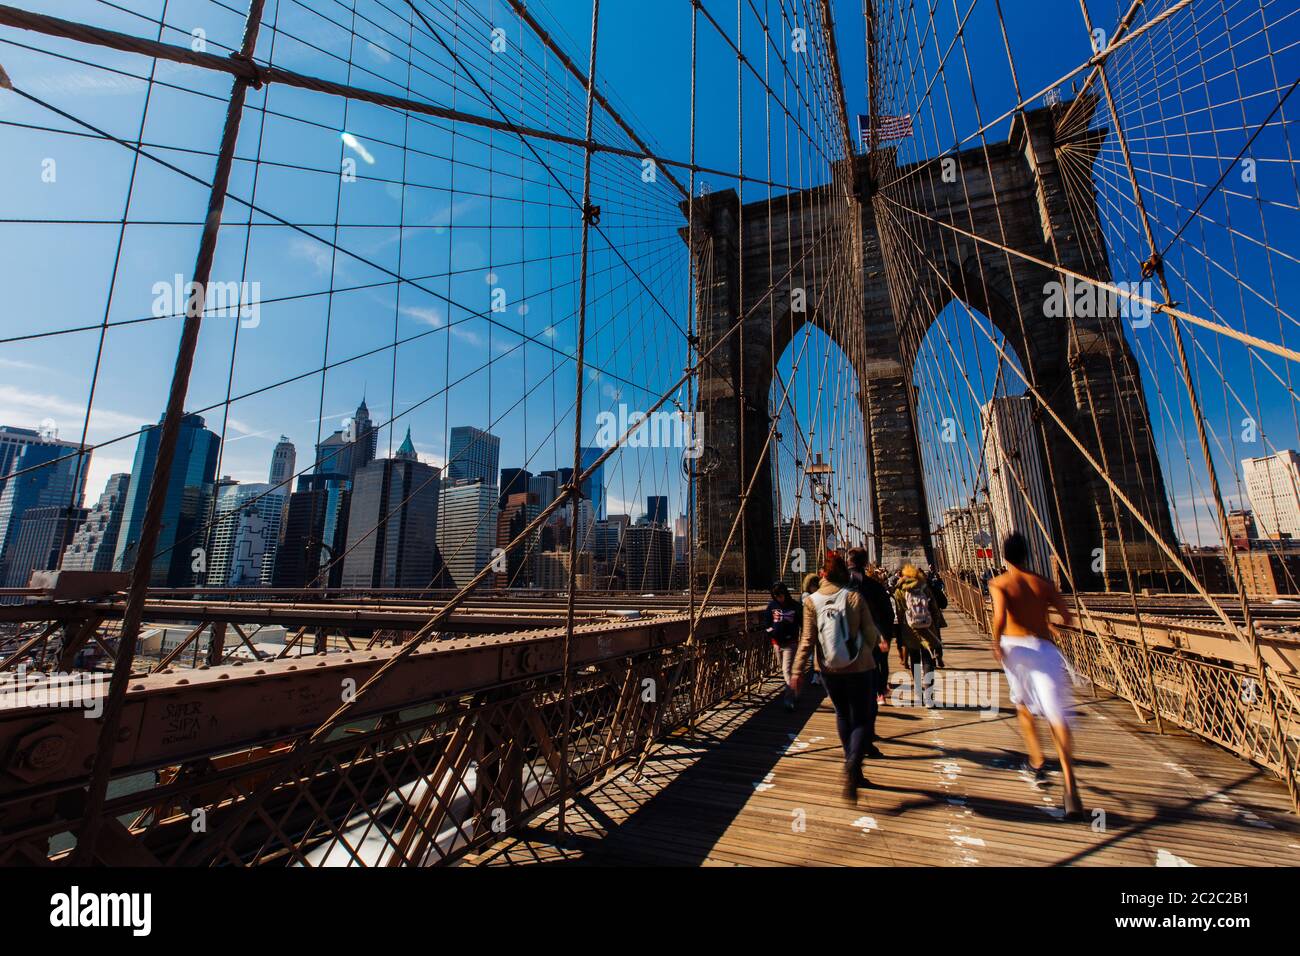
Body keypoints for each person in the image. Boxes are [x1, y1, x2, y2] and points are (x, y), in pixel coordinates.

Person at [990, 531, 1083, 819]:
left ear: (1005, 557)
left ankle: (1037, 761)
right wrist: (1046, 625)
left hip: (1016, 650)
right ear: (1027, 555)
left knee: (1023, 706)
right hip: (1044, 648)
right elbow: (1067, 617)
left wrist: (996, 643)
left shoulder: (1000, 583)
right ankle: (1070, 783)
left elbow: (1000, 618)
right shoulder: (1044, 583)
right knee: (1056, 714)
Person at [790, 553, 888, 801]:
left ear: (822, 575)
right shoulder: (854, 596)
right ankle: (854, 762)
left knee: (843, 713)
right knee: (863, 717)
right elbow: (870, 634)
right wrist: (879, 645)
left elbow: (807, 640)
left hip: (829, 670)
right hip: (859, 667)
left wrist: (797, 671)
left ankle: (849, 760)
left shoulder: (811, 601)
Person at [847, 549, 895, 705]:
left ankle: (875, 691)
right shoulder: (876, 586)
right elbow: (888, 612)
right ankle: (879, 692)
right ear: (866, 563)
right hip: (879, 631)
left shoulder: (844, 587)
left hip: (856, 634)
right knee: (881, 662)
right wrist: (886, 633)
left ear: (849, 562)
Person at [893, 564, 944, 673]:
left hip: (910, 627)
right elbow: (934, 608)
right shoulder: (924, 587)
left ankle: (917, 686)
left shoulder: (899, 591)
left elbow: (899, 612)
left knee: (914, 657)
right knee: (927, 657)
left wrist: (901, 628)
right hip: (927, 625)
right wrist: (935, 623)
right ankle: (928, 686)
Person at [765, 582, 803, 711]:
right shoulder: (772, 606)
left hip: (790, 643)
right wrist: (771, 632)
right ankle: (796, 689)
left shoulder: (795, 606)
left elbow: (802, 622)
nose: (778, 598)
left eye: (780, 595)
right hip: (777, 643)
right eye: (776, 595)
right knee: (785, 670)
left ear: (785, 593)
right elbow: (767, 622)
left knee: (786, 670)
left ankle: (788, 699)